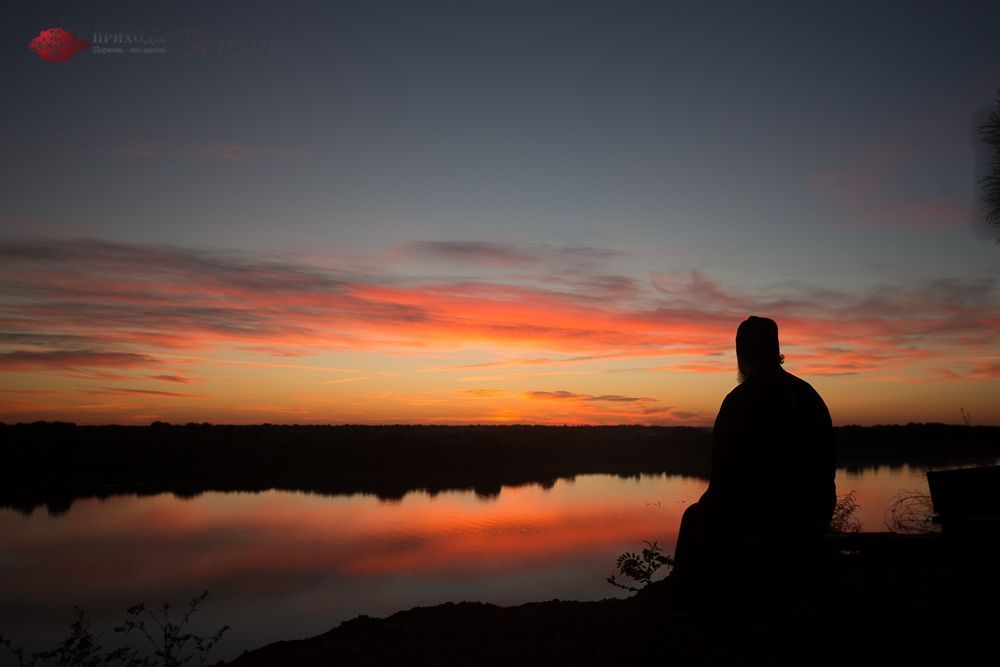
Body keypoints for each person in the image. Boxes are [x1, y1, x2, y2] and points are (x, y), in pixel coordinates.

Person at [671, 316, 836, 609]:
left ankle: (693, 613)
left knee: (694, 518)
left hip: (764, 516)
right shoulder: (809, 394)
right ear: (776, 351)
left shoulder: (739, 400)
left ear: (740, 356)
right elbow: (826, 465)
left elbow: (723, 481)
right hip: (814, 512)